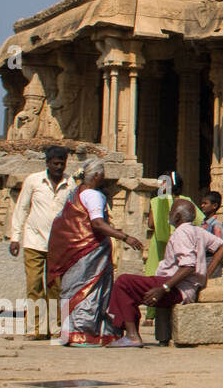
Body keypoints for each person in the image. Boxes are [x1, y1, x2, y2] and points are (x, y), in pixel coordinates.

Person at [46, 159, 144, 346]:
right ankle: (84, 332)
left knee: (73, 288)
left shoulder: (76, 192)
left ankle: (71, 332)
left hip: (74, 250)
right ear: (97, 175)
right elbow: (97, 223)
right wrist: (125, 237)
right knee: (90, 290)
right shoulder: (93, 195)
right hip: (90, 250)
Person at [106, 198, 223, 347]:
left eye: (171, 212)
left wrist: (163, 288)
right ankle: (126, 330)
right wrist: (206, 273)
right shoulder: (197, 230)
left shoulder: (182, 233)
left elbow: (188, 266)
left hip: (176, 288)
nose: (168, 215)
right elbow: (222, 245)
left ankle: (131, 335)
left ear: (177, 216)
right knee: (132, 288)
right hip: (184, 286)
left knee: (124, 282)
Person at [9, 145, 73, 339]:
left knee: (56, 287)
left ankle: (55, 327)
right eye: (55, 163)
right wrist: (15, 237)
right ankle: (35, 327)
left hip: (59, 244)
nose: (58, 167)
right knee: (34, 285)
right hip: (34, 241)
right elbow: (21, 209)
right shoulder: (33, 181)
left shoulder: (71, 184)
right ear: (47, 163)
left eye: (62, 164)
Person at [143, 172, 203, 340]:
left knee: (156, 276)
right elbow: (199, 220)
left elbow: (150, 224)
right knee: (178, 276)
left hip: (160, 246)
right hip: (183, 243)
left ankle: (149, 316)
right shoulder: (186, 201)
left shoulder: (156, 202)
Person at [198, 191, 223, 280]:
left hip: (210, 262)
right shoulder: (202, 223)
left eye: (205, 203)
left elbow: (220, 247)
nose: (202, 205)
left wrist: (210, 270)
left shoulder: (216, 225)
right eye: (202, 203)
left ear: (214, 206)